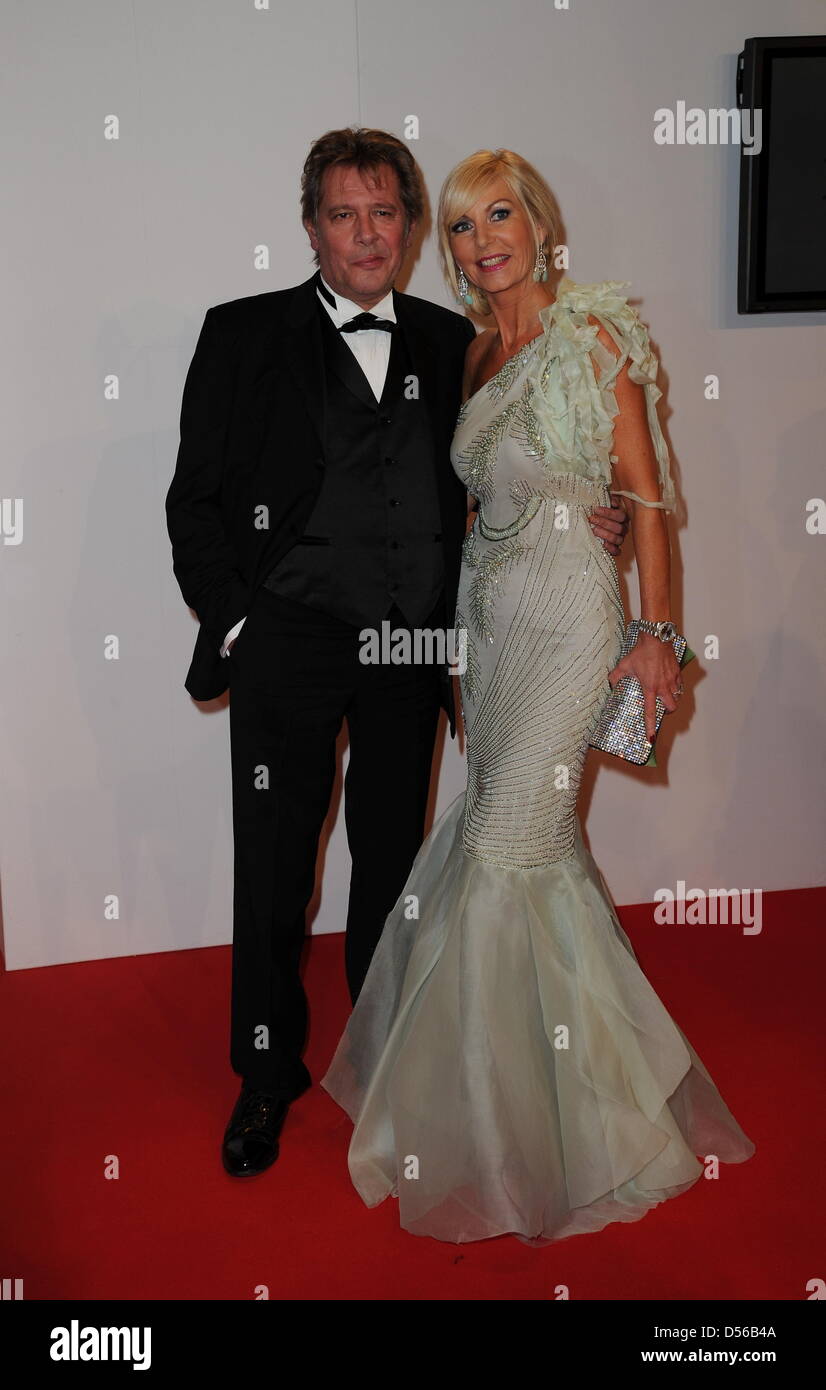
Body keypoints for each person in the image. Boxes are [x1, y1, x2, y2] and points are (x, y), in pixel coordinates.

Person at [165, 129, 632, 1180]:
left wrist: (587, 508)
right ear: (312, 227)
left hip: (409, 643)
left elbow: (507, 465)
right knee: (273, 868)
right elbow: (193, 499)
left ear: (413, 230)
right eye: (343, 213)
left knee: (394, 863)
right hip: (285, 635)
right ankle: (266, 1076)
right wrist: (237, 618)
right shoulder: (240, 335)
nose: (366, 233)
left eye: (386, 213)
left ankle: (384, 1057)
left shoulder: (447, 340)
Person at [321, 148, 756, 1245]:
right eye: (464, 228)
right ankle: (497, 1110)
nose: (482, 242)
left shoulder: (595, 332)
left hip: (570, 620)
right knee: (511, 847)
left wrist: (657, 637)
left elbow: (647, 499)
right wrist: (460, 653)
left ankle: (562, 1134)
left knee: (513, 845)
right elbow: (477, 510)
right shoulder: (472, 353)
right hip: (491, 621)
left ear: (539, 221)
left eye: (499, 216)